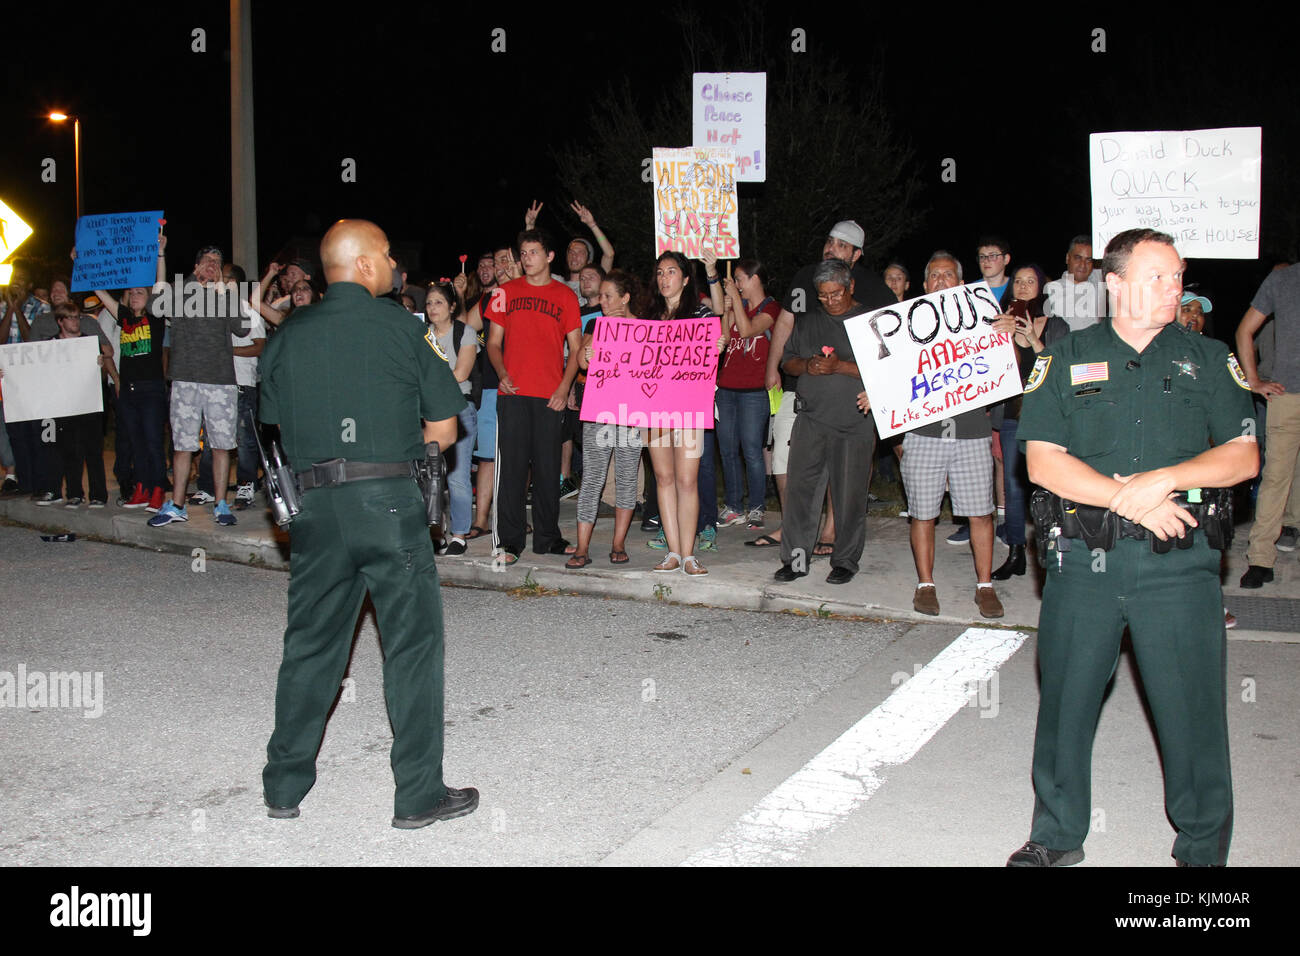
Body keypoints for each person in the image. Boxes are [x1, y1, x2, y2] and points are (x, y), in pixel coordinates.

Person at [1007, 228, 1257, 867]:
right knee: (1065, 702)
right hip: (1084, 564)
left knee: (1192, 712)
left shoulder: (1208, 358)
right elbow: (1042, 461)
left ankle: (1202, 848)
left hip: (1178, 565)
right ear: (1113, 283)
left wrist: (1164, 480)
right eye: (1158, 276)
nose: (1174, 288)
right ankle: (1057, 836)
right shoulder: (1064, 357)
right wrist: (1126, 497)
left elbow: (1242, 455)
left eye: (1178, 276)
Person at [260, 218, 477, 828]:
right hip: (388, 503)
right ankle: (417, 796)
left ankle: (283, 786)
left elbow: (271, 419)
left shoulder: (290, 334)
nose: (392, 265)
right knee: (411, 646)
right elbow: (443, 425)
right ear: (361, 265)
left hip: (313, 509)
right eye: (385, 255)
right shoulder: (404, 330)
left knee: (309, 647)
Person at [901, 252, 1006, 619]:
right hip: (923, 432)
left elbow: (1007, 370)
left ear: (962, 284)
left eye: (948, 274)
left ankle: (985, 585)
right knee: (922, 513)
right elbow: (892, 376)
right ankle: (925, 584)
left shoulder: (985, 322)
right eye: (933, 275)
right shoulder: (903, 326)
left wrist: (1011, 338)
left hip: (971, 432)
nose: (941, 281)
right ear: (924, 284)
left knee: (981, 512)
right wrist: (879, 397)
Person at [774, 259, 876, 585]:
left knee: (849, 496)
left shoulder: (872, 321)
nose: (830, 301)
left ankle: (844, 560)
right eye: (823, 296)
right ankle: (796, 559)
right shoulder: (808, 322)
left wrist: (839, 368)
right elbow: (786, 362)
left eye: (836, 294)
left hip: (854, 421)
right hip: (811, 419)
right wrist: (807, 365)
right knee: (801, 492)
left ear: (851, 288)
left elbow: (888, 369)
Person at [484, 229, 582, 562]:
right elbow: (493, 343)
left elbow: (576, 347)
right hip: (512, 393)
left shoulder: (566, 296)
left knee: (547, 470)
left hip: (550, 395)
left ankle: (547, 538)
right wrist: (502, 372)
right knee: (511, 471)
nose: (527, 258)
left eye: (534, 252)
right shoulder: (504, 292)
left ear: (549, 256)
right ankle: (509, 543)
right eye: (523, 253)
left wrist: (564, 387)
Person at [145, 238, 246, 528]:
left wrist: (227, 293)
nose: (212, 266)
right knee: (183, 445)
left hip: (221, 382)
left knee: (222, 445)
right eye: (207, 261)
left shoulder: (225, 295)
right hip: (186, 381)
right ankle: (176, 505)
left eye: (217, 262)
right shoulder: (181, 292)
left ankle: (221, 503)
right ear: (196, 266)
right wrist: (161, 253)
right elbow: (154, 305)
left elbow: (242, 327)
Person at [991, 265, 1069, 579]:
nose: (1023, 287)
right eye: (1018, 281)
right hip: (1011, 416)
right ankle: (1015, 552)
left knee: (1047, 485)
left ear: (1042, 287)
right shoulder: (998, 325)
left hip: (1046, 418)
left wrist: (1033, 340)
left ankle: (1051, 551)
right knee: (1012, 487)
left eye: (1030, 281)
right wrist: (1003, 338)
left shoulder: (1058, 326)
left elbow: (1062, 373)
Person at [644, 250, 719, 575]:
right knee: (663, 478)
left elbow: (719, 331)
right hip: (654, 406)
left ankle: (688, 554)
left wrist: (718, 345)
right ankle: (673, 552)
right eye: (660, 272)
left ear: (686, 279)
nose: (664, 279)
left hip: (689, 405)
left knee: (687, 480)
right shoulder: (647, 316)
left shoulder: (700, 314)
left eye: (671, 272)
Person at [565, 270, 643, 568]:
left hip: (631, 413)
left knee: (626, 478)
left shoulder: (643, 328)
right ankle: (582, 547)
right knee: (593, 478)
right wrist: (590, 351)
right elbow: (582, 360)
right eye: (601, 296)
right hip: (600, 411)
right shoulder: (598, 325)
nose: (603, 302)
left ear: (625, 297)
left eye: (609, 296)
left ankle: (618, 542)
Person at [1235, 261, 1300, 588]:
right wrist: (1254, 380)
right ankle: (1261, 557)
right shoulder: (1283, 279)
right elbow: (1244, 330)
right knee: (1276, 475)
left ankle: (1292, 523)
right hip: (1288, 396)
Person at [93, 285, 169, 511]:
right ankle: (142, 489)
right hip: (127, 390)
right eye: (132, 293)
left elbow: (161, 285)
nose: (135, 296)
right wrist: (84, 265)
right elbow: (101, 294)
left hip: (151, 390)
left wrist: (161, 255)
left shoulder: (155, 318)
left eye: (140, 293)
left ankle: (158, 490)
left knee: (154, 443)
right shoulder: (124, 317)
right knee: (136, 443)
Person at [717, 258, 778, 530]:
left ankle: (756, 506)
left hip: (754, 391)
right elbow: (726, 338)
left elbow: (747, 329)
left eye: (740, 279)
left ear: (755, 279)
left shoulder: (772, 308)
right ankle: (733, 505)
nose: (737, 285)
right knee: (727, 450)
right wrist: (727, 311)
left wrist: (736, 305)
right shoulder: (738, 304)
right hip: (727, 387)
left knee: (752, 450)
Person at [424, 279, 478, 556]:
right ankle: (436, 533)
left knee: (457, 475)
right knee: (430, 474)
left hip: (459, 408)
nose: (433, 307)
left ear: (452, 306)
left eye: (439, 302)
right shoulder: (420, 335)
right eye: (429, 302)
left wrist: (426, 383)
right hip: (427, 411)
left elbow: (462, 373)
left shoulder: (464, 332)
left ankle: (459, 534)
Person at [1044, 235, 1107, 332]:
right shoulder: (1051, 290)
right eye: (1078, 258)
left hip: (1099, 345)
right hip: (1068, 345)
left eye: (1088, 260)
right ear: (1067, 258)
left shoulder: (1098, 279)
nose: (1083, 265)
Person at [975, 236, 1012, 303]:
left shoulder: (1016, 287)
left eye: (992, 256)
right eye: (982, 257)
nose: (986, 261)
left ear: (1006, 259)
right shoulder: (971, 291)